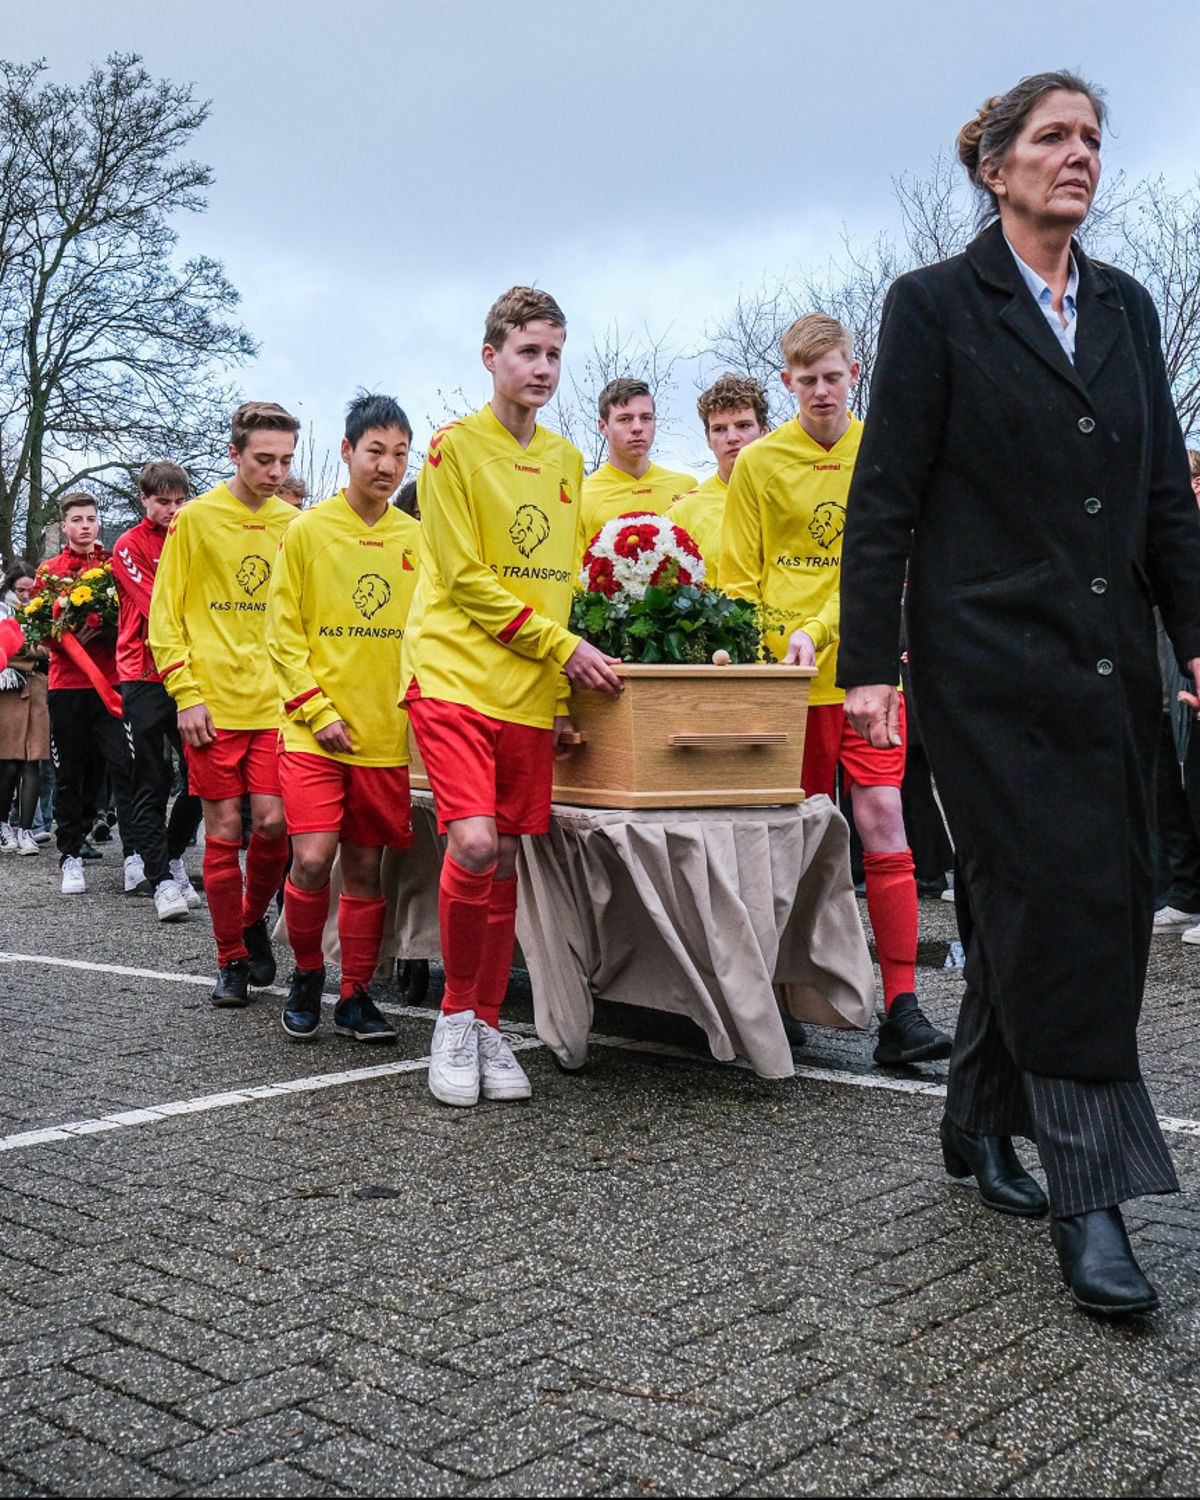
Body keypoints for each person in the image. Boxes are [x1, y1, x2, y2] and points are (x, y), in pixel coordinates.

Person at [838, 71, 1200, 1317]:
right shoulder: (937, 306)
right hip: (983, 670)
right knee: (1067, 904)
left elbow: (1161, 495)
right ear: (994, 167)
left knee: (1033, 905)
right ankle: (1089, 1192)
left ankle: (973, 1121)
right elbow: (883, 498)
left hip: (1108, 663)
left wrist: (1196, 635)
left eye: (1094, 138)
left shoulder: (1129, 309)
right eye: (1053, 137)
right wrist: (869, 673)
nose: (1079, 155)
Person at [404, 285, 622, 1107]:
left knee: (509, 866)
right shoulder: (453, 449)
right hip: (455, 676)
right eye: (527, 352)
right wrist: (565, 650)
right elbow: (462, 578)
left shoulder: (569, 461)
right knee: (474, 846)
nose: (542, 368)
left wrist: (560, 693)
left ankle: (490, 1022)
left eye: (554, 354)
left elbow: (558, 583)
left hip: (527, 696)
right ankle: (453, 1020)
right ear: (490, 357)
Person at [723, 314, 950, 1066]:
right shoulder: (758, 464)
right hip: (788, 692)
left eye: (834, 376)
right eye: (807, 380)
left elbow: (897, 566)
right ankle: (777, 998)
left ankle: (903, 1009)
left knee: (884, 820)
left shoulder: (883, 451)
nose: (822, 391)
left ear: (856, 372)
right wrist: (771, 654)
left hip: (869, 676)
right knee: (784, 845)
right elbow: (737, 583)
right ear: (788, 383)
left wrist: (824, 633)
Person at [267, 393, 421, 1043]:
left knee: (364, 869)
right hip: (312, 733)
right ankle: (306, 973)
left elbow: (427, 636)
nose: (386, 466)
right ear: (347, 452)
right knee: (311, 859)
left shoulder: (417, 541)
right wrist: (317, 709)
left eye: (399, 454)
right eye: (375, 451)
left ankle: (355, 995)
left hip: (383, 737)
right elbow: (283, 636)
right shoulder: (306, 531)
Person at [150, 402, 299, 1006]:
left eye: (285, 460)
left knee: (274, 824)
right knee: (223, 829)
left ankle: (250, 916)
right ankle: (230, 958)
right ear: (234, 454)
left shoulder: (295, 522)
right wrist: (186, 694)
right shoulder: (196, 520)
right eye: (263, 459)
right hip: (210, 706)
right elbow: (166, 617)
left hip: (275, 706)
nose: (274, 471)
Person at [111, 462, 204, 923]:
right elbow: (159, 607)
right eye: (162, 501)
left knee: (202, 778)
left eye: (177, 501)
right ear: (144, 500)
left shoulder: (196, 536)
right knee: (151, 777)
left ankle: (167, 858)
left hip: (194, 674)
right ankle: (161, 880)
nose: (171, 510)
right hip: (145, 674)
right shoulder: (128, 544)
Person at [39, 493, 142, 897]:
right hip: (68, 686)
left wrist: (109, 629)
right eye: (77, 519)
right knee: (70, 775)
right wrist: (65, 639)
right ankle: (70, 856)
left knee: (125, 770)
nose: (85, 526)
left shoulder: (113, 567)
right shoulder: (50, 572)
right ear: (64, 526)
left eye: (92, 519)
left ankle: (134, 855)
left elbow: (132, 617)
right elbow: (40, 632)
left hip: (113, 684)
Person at [668, 374, 769, 585]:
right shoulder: (683, 513)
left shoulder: (791, 496)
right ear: (708, 439)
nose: (732, 437)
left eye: (743, 425)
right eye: (720, 429)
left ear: (764, 432)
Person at [579, 378, 695, 543]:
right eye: (625, 419)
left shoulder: (686, 488)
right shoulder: (583, 495)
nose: (637, 428)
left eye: (646, 418)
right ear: (603, 426)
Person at [0, 561, 51, 855]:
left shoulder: (42, 610)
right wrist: (29, 652)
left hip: (37, 690)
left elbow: (51, 647)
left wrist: (22, 651)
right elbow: (12, 649)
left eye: (30, 590)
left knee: (34, 761)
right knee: (8, 763)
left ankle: (27, 830)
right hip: (9, 691)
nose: (25, 595)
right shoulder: (3, 611)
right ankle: (4, 823)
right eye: (20, 590)